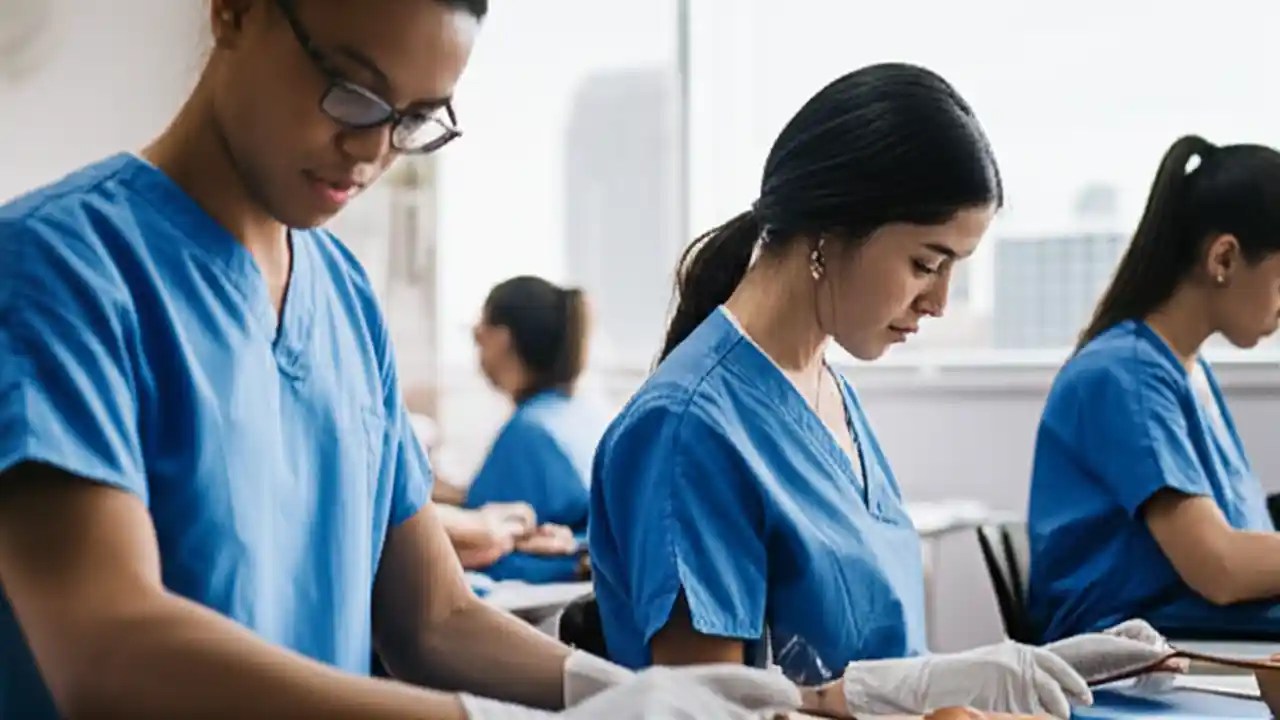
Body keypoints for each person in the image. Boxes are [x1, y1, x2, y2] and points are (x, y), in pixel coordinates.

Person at [0, 1, 804, 718]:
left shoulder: (344, 299)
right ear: (235, 12)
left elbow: (433, 619)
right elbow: (109, 650)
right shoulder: (58, 270)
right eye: (352, 93)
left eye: (416, 119)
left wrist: (619, 691)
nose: (372, 149)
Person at [587, 62, 1174, 720]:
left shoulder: (826, 391)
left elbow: (877, 656)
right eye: (926, 263)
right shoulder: (688, 427)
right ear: (829, 233)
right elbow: (710, 711)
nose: (941, 303)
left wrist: (1035, 667)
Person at [1027, 135, 1280, 643]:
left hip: (1195, 630)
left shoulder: (1181, 370)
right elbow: (1221, 568)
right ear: (1224, 259)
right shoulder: (1125, 376)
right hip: (1136, 652)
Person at [466, 276, 608, 581]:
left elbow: (477, 549)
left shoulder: (527, 433)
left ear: (502, 338)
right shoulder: (582, 413)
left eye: (479, 334)